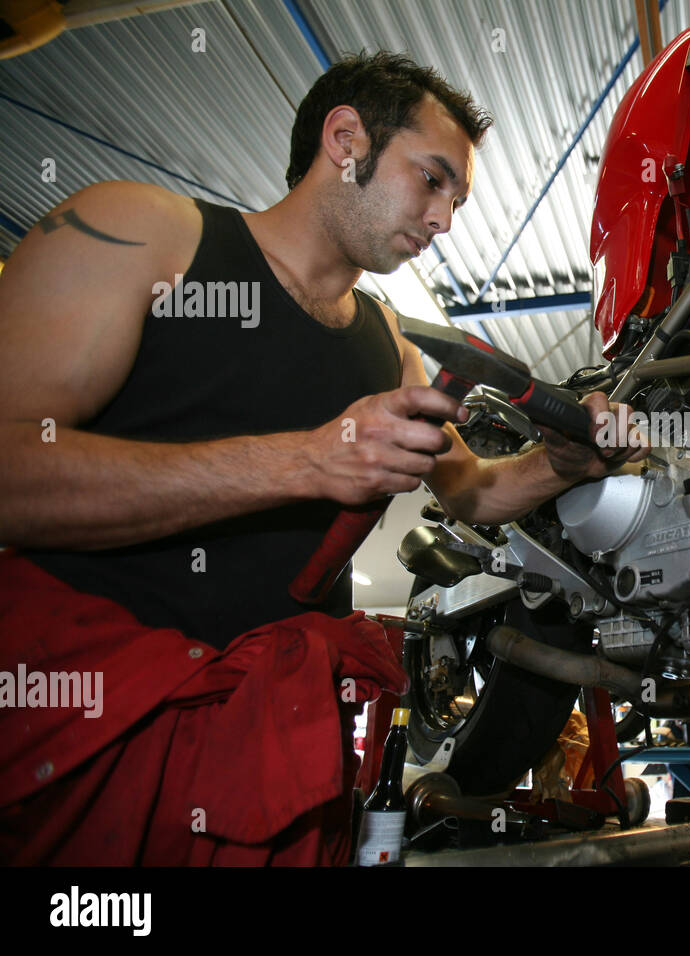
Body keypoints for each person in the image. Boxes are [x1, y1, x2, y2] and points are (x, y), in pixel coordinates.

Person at [0, 51, 647, 865]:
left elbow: (473, 492)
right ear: (346, 139)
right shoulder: (145, 234)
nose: (445, 218)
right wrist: (306, 462)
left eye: (459, 198)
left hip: (270, 752)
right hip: (92, 724)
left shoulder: (391, 347)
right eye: (433, 179)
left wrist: (560, 464)